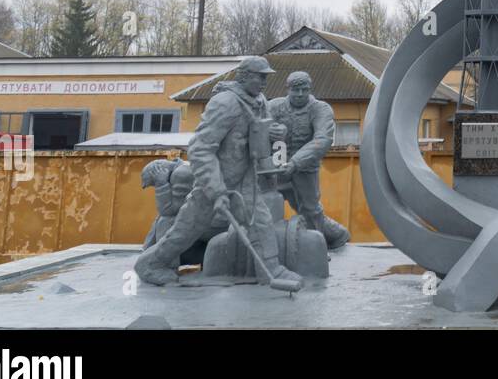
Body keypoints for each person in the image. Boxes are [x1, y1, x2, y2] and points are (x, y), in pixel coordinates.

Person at [134, 56, 302, 289]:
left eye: (266, 77)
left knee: (259, 220)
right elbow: (200, 148)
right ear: (243, 77)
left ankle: (271, 270)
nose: (264, 82)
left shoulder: (259, 101)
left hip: (244, 178)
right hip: (216, 180)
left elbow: (257, 132)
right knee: (188, 227)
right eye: (259, 76)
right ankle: (150, 264)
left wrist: (273, 132)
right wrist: (216, 189)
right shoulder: (226, 103)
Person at [269, 71, 350, 249]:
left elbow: (322, 139)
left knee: (310, 210)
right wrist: (270, 130)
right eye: (295, 90)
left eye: (304, 90)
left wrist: (296, 162)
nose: (300, 94)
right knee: (266, 204)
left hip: (305, 168)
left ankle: (320, 247)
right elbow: (257, 126)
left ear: (310, 89)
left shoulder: (320, 108)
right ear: (288, 89)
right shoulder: (274, 106)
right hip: (276, 169)